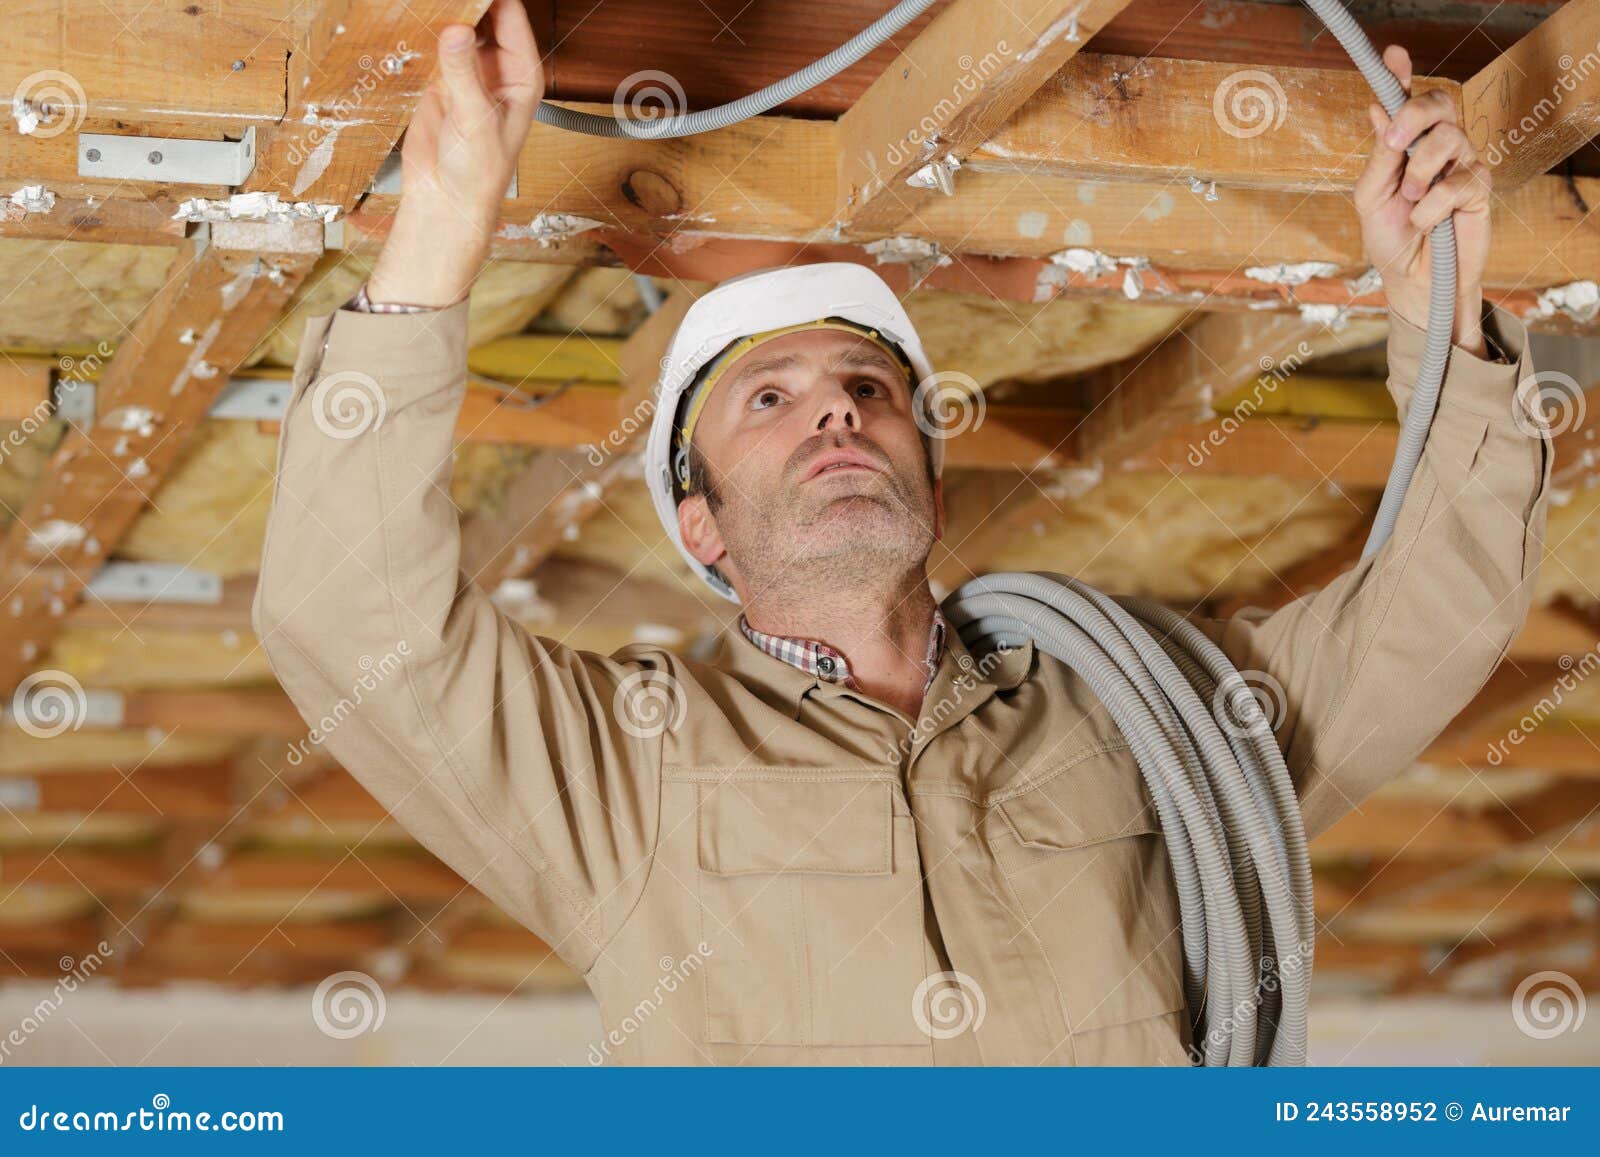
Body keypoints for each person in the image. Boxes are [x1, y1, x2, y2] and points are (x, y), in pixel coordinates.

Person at [254, 0, 1553, 1063]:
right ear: (699, 525)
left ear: (928, 480)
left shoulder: (1139, 718)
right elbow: (349, 614)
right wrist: (439, 231)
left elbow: (1437, 612)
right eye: (772, 398)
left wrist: (1435, 294)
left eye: (869, 390)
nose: (836, 405)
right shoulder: (628, 776)